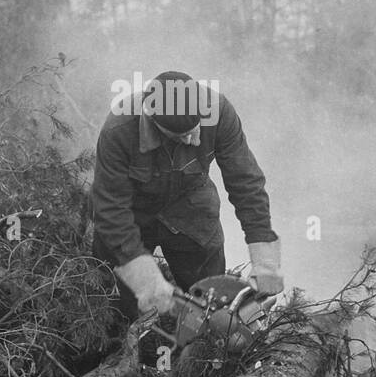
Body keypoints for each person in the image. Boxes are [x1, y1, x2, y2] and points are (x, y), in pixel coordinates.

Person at [91, 70, 283, 319]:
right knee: (121, 307)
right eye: (182, 135)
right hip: (132, 213)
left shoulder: (219, 112)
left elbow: (246, 183)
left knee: (212, 302)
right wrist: (144, 278)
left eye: (196, 129)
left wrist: (264, 256)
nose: (193, 140)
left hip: (191, 207)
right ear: (153, 121)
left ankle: (201, 349)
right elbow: (111, 208)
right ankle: (123, 347)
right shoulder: (119, 128)